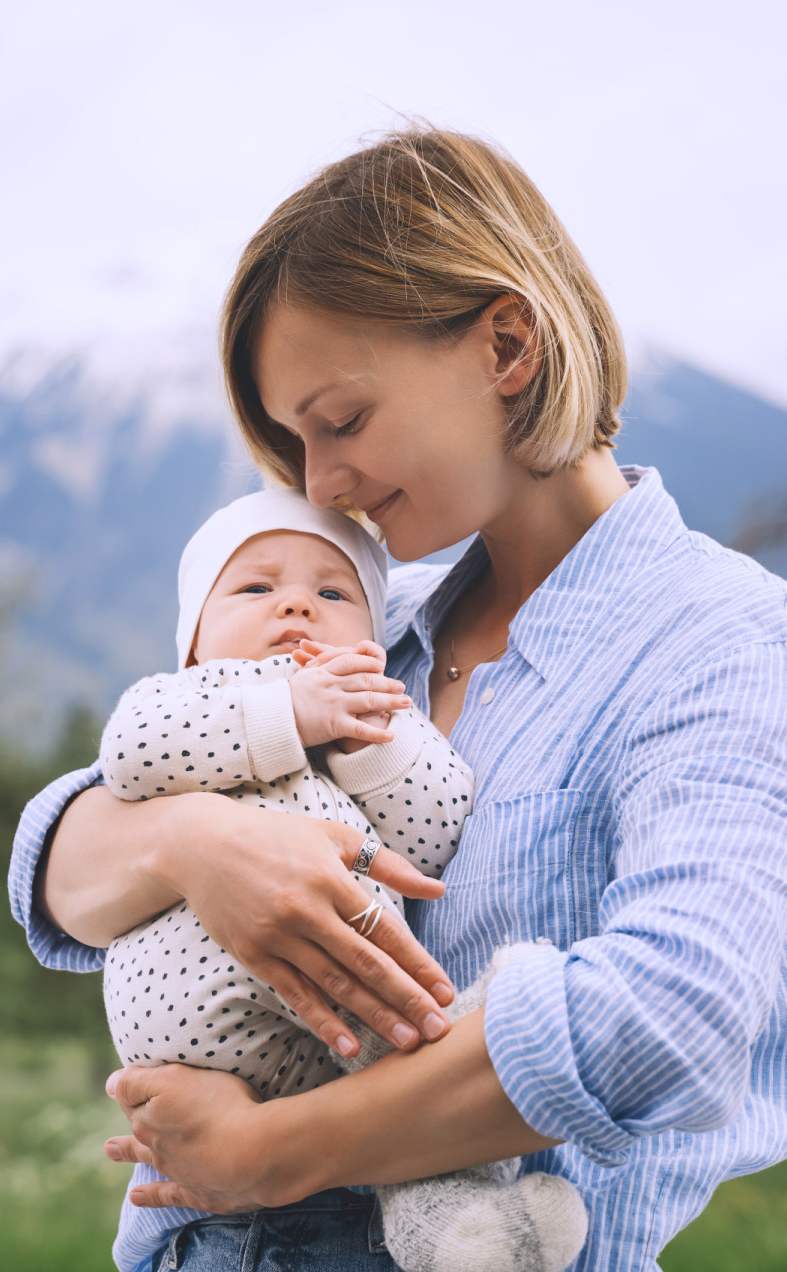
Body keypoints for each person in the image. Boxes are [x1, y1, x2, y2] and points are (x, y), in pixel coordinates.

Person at [7, 126, 787, 1272]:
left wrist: (269, 1152)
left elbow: (669, 1015)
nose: (320, 484)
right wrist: (198, 844)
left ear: (506, 345)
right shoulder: (356, 620)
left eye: (343, 420)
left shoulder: (719, 637)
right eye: (296, 442)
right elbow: (59, 862)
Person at [96, 486, 586, 1272]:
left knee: (407, 1084)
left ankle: (471, 1232)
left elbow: (434, 836)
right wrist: (287, 711)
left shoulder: (380, 713)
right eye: (256, 587)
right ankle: (487, 1039)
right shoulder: (190, 695)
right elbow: (131, 755)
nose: (296, 606)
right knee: (410, 1031)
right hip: (202, 1007)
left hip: (340, 1032)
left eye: (332, 594)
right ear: (193, 640)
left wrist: (368, 740)